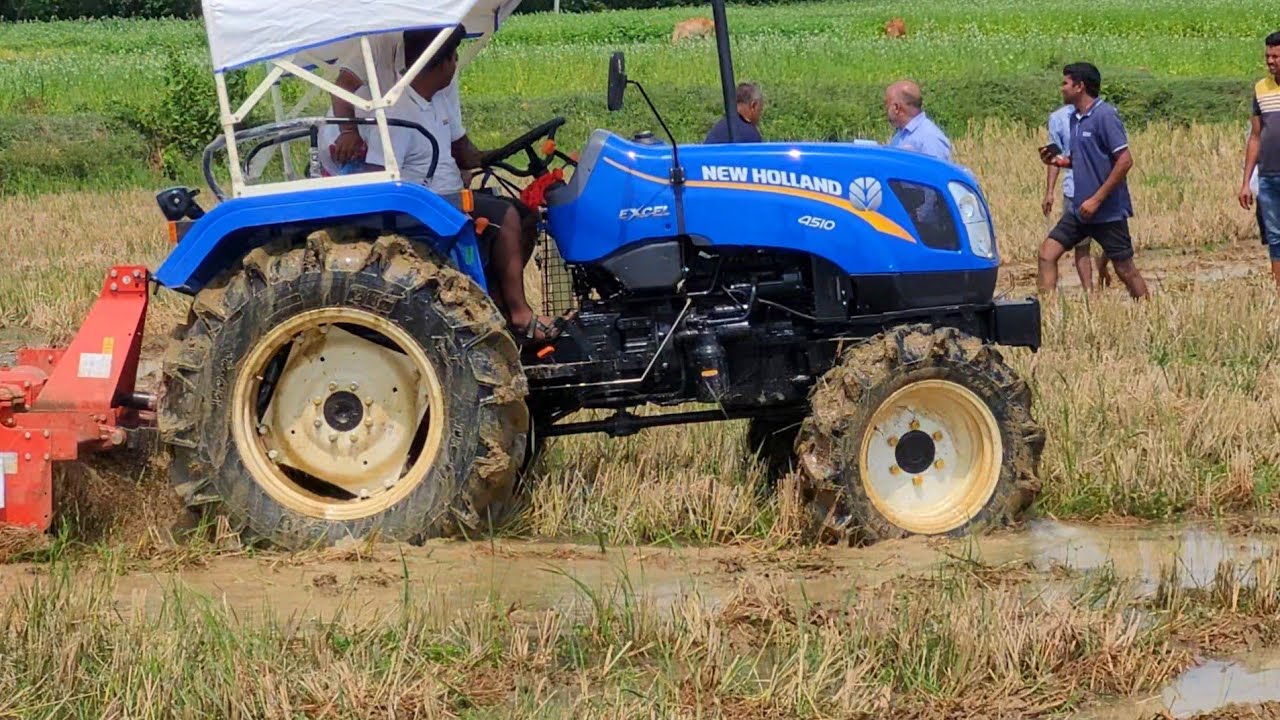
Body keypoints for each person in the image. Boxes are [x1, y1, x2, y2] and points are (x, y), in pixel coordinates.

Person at [326, 27, 558, 340]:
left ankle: (497, 301)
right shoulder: (400, 111)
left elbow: (464, 153)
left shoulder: (434, 103)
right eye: (454, 58)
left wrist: (497, 154)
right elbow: (379, 174)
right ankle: (519, 315)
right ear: (443, 62)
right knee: (506, 217)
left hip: (444, 196)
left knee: (525, 213)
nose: (455, 66)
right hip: (426, 207)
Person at [1038, 62, 1149, 299]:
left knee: (1124, 269)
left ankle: (1149, 311)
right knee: (1047, 254)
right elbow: (1083, 159)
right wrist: (1060, 162)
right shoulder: (1075, 119)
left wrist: (1097, 200)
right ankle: (1044, 317)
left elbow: (1125, 161)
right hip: (1080, 211)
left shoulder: (1105, 116)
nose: (1062, 88)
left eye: (1065, 83)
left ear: (1080, 86)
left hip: (1106, 211)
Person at [1044, 104, 1111, 291]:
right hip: (1074, 191)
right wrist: (1049, 191)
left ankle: (1103, 265)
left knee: (1113, 244)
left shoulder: (1103, 114)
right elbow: (1055, 158)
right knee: (1081, 245)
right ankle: (1089, 292)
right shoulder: (1057, 118)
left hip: (1101, 189)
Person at [1238, 32, 1280, 288]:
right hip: (1268, 177)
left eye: (1276, 56)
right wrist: (1246, 182)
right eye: (1267, 56)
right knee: (1274, 236)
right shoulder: (1260, 89)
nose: (1270, 61)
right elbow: (1255, 136)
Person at [884, 80, 952, 162]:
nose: (886, 109)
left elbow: (938, 172)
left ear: (896, 108)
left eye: (887, 105)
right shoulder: (900, 136)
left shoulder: (930, 138)